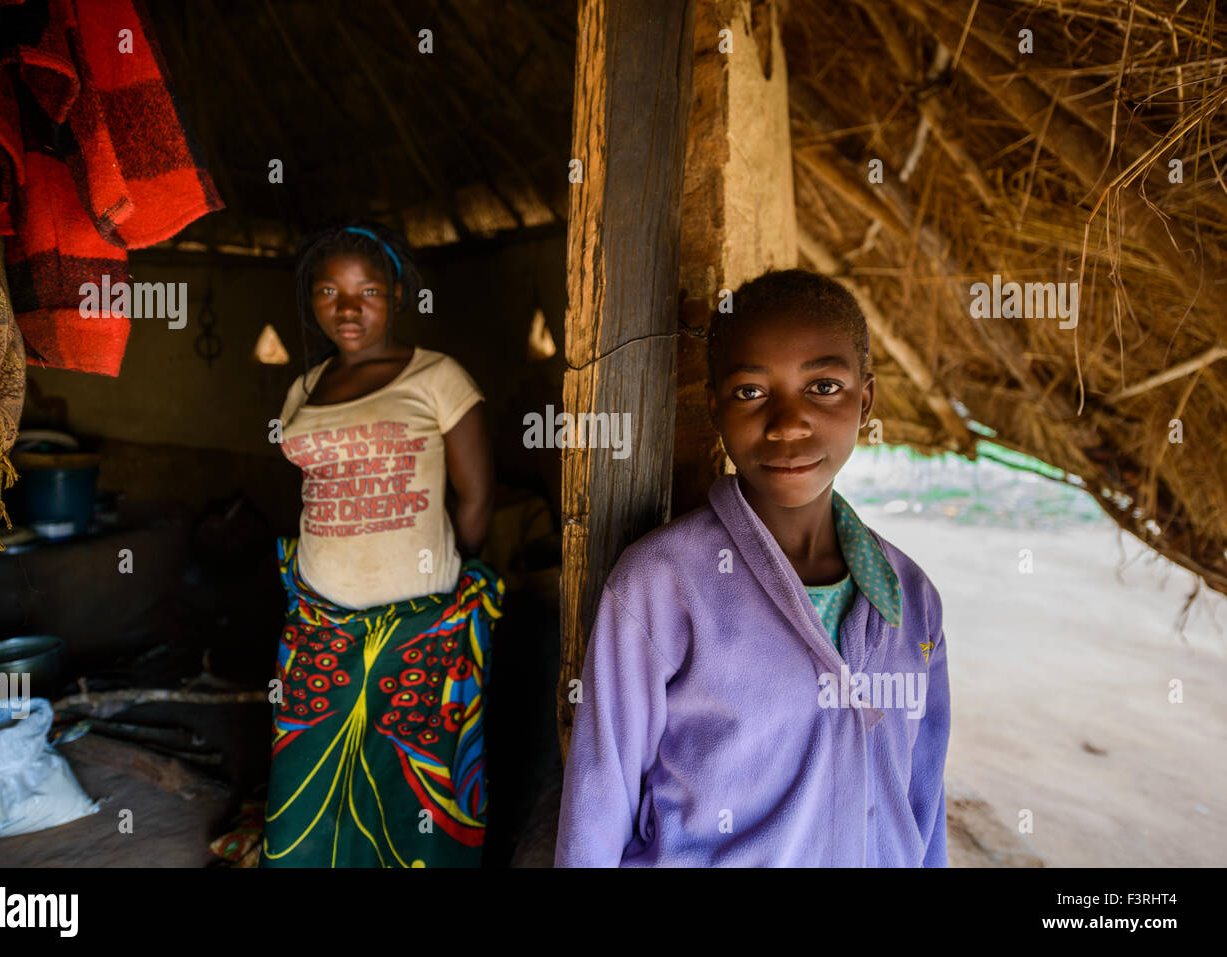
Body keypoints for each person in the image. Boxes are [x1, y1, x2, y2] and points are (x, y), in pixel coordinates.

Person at [554, 269, 950, 867]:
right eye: (750, 392)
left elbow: (924, 794)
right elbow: (597, 804)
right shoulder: (661, 585)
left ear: (865, 400)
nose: (788, 422)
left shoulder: (911, 597)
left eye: (823, 386)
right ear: (714, 406)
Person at [261, 222, 502, 868]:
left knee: (411, 783)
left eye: (367, 290)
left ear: (396, 295)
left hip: (419, 624)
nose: (347, 308)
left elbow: (476, 498)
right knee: (305, 778)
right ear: (311, 300)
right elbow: (317, 490)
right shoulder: (302, 389)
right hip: (319, 621)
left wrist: (447, 592)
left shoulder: (438, 377)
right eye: (329, 292)